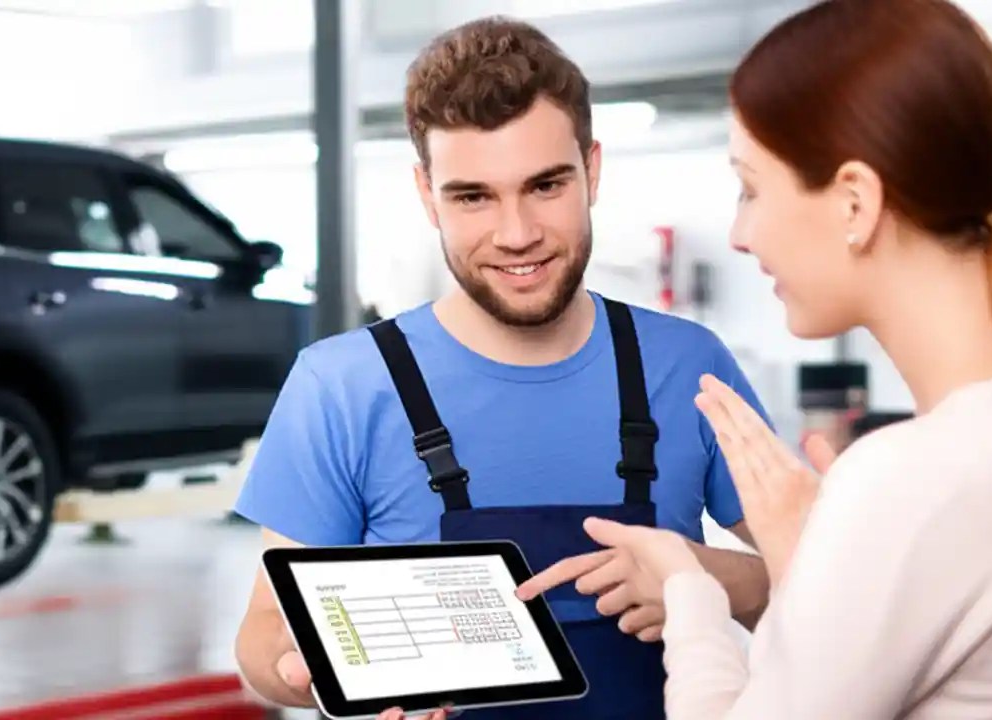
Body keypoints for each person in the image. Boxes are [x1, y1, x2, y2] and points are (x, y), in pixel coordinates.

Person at [517, 0, 992, 717]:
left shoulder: (906, 478)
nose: (739, 233)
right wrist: (806, 571)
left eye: (751, 188)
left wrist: (690, 590)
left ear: (854, 202)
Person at [232, 16, 773, 720]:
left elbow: (829, 596)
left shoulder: (690, 367)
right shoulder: (341, 386)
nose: (516, 234)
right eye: (473, 196)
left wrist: (708, 577)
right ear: (428, 195)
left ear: (593, 170)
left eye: (545, 186)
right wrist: (314, 680)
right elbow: (263, 636)